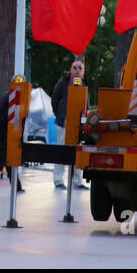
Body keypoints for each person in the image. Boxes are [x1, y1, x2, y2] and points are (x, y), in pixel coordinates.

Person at [51, 58, 87, 188]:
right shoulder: (63, 82)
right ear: (71, 70)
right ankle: (58, 180)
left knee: (78, 151)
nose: (77, 70)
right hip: (65, 122)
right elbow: (54, 100)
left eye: (80, 68)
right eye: (75, 67)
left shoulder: (83, 84)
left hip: (79, 124)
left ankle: (77, 181)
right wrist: (60, 115)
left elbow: (85, 104)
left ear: (83, 71)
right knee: (61, 149)